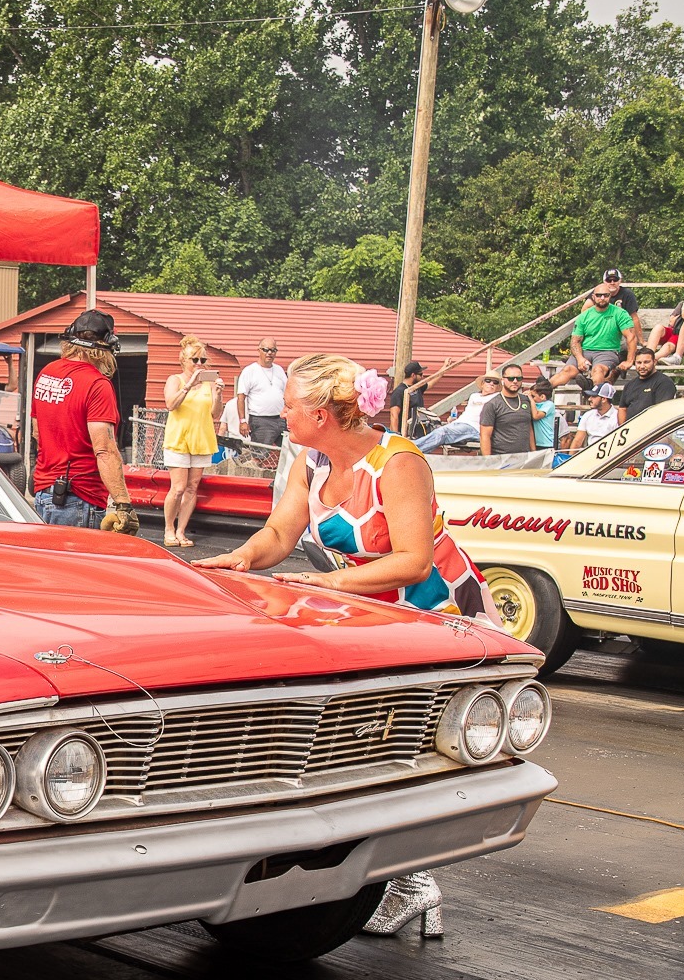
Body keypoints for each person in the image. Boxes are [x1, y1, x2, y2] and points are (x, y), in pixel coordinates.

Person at [195, 354, 500, 939]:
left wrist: (325, 583)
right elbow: (281, 531)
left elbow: (411, 560)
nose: (280, 415)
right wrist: (243, 558)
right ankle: (406, 881)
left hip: (431, 613)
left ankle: (413, 881)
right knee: (372, 745)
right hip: (367, 614)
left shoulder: (399, 462)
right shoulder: (309, 457)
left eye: (288, 407)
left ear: (320, 413)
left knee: (412, 749)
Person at [27, 308, 136, 533]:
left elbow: (38, 433)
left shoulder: (48, 372)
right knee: (74, 567)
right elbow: (104, 450)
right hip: (79, 497)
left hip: (44, 493)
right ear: (106, 346)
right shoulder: (97, 384)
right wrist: (123, 504)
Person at [157, 335, 218, 548]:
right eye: (195, 360)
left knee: (192, 487)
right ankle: (169, 528)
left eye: (202, 360)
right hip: (179, 438)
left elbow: (215, 413)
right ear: (184, 360)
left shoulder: (208, 382)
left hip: (201, 438)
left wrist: (218, 394)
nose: (199, 364)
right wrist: (190, 384)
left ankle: (181, 530)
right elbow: (171, 404)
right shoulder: (175, 380)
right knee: (179, 487)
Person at [569, 280, 637, 389]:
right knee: (570, 370)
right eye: (599, 295)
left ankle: (593, 386)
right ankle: (544, 387)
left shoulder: (623, 303)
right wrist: (580, 358)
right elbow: (575, 338)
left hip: (612, 350)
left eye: (605, 295)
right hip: (591, 350)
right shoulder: (587, 313)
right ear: (593, 296)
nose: (602, 298)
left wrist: (630, 360)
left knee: (605, 368)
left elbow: (633, 327)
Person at [414, 374, 498, 453]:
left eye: (495, 382)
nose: (491, 383)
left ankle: (410, 448)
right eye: (488, 380)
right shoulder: (474, 396)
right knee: (436, 432)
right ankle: (414, 452)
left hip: (475, 428)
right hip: (460, 424)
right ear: (482, 383)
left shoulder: (496, 398)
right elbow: (468, 413)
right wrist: (454, 420)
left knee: (443, 433)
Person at [237, 337, 287, 446]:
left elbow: (287, 394)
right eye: (266, 350)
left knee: (288, 452)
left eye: (273, 350)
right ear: (259, 350)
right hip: (261, 420)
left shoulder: (279, 370)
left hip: (281, 419)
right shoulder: (249, 371)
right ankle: (241, 462)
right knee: (259, 456)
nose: (269, 353)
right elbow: (241, 398)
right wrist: (242, 421)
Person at [477, 367, 536, 456]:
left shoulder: (526, 400)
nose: (515, 381)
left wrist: (534, 453)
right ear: (503, 379)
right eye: (511, 378)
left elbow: (529, 428)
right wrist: (488, 461)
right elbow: (484, 436)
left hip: (524, 458)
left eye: (519, 378)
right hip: (501, 458)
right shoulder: (492, 404)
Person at [615, 349, 677, 421]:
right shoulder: (629, 385)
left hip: (653, 430)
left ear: (654, 362)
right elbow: (622, 409)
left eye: (646, 362)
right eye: (639, 362)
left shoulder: (664, 382)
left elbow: (662, 411)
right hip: (631, 430)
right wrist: (624, 429)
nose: (642, 366)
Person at [564, 384, 620, 450]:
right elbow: (577, 441)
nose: (589, 399)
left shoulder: (617, 416)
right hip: (590, 455)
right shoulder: (588, 415)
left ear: (604, 399)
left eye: (594, 396)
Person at [529, 377, 559, 450]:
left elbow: (536, 416)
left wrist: (530, 400)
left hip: (546, 443)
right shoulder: (534, 404)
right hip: (535, 443)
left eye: (533, 396)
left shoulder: (549, 405)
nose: (532, 398)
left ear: (542, 396)